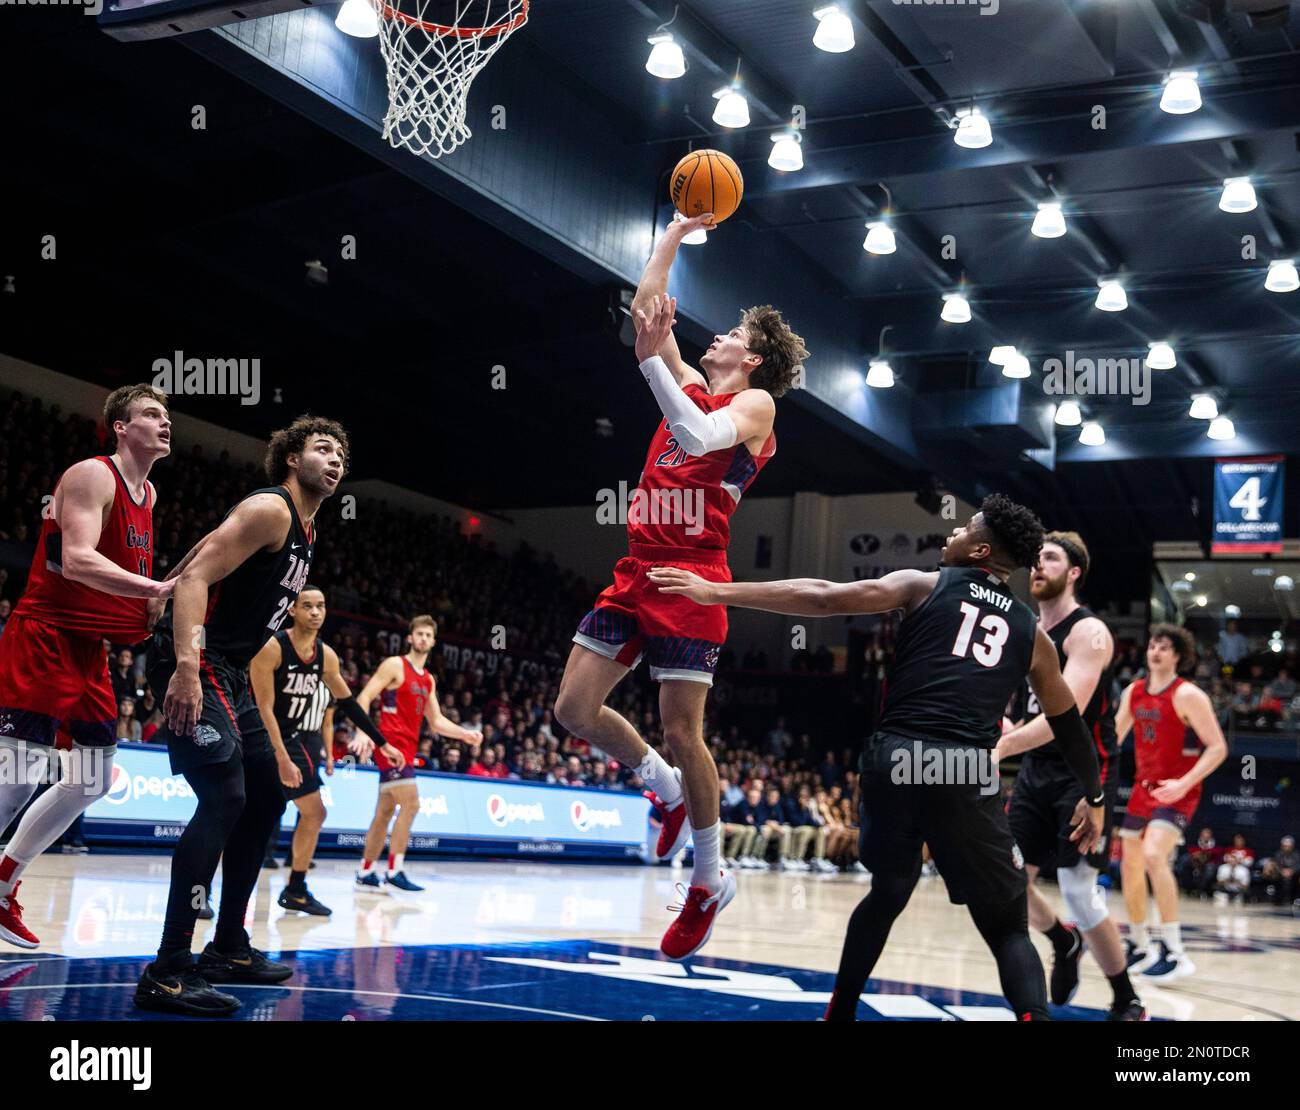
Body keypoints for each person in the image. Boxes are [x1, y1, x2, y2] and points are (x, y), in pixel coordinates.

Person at [652, 495, 1106, 1021]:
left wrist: (716, 592)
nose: (954, 530)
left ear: (981, 550)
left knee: (888, 891)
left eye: (966, 528)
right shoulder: (1032, 634)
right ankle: (1033, 1016)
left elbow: (822, 597)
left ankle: (839, 1011)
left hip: (896, 761)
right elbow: (1069, 726)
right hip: (965, 770)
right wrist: (1094, 796)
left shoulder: (923, 584)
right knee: (1006, 926)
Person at [553, 218, 809, 960]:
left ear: (751, 356)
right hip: (637, 570)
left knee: (681, 726)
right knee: (572, 709)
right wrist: (676, 234)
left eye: (729, 332)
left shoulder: (757, 408)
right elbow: (649, 309)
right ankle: (662, 787)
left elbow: (698, 438)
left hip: (693, 579)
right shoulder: (691, 385)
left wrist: (648, 364)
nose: (714, 336)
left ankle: (707, 879)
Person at [133, 416, 350, 1016]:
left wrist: (167, 585)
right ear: (290, 457)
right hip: (196, 660)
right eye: (323, 449)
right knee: (225, 796)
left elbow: (199, 556)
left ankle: (228, 944)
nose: (335, 461)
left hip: (226, 668)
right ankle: (169, 969)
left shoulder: (304, 529)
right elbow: (199, 576)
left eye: (341, 456)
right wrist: (183, 662)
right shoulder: (272, 509)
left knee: (266, 796)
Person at [0, 385, 173, 950]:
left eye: (167, 415)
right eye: (151, 414)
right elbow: (76, 560)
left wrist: (151, 609)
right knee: (19, 774)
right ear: (120, 427)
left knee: (91, 778)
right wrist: (156, 587)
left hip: (87, 647)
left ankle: (3, 883)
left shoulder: (148, 495)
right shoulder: (93, 475)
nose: (164, 422)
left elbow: (117, 586)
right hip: (44, 634)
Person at [994, 532, 1143, 1020]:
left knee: (1079, 890)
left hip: (1086, 771)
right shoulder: (1026, 627)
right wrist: (1006, 726)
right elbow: (1027, 708)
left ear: (1074, 572)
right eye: (1035, 560)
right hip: (1038, 768)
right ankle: (1063, 939)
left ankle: (1126, 998)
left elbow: (1068, 712)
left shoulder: (1089, 631)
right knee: (1006, 882)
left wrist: (1004, 745)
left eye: (1051, 559)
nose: (1038, 566)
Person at [248, 584, 402, 917]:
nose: (316, 612)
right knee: (250, 816)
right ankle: (288, 889)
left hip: (301, 739)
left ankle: (295, 889)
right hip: (263, 736)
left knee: (303, 814)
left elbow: (347, 703)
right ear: (292, 610)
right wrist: (281, 756)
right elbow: (263, 709)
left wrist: (382, 742)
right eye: (308, 606)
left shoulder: (326, 655)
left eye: (321, 606)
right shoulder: (273, 649)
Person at [1114, 624, 1228, 983]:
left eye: (1164, 647)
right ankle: (1139, 943)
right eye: (1152, 645)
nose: (1155, 652)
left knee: (1152, 855)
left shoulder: (1188, 695)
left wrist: (1183, 783)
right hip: (1142, 789)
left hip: (1178, 791)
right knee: (1129, 864)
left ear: (1178, 655)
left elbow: (1218, 747)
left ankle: (1175, 952)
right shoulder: (1133, 691)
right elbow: (1113, 738)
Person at [353, 616, 481, 894]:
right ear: (410, 638)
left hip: (407, 750)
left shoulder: (428, 679)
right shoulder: (394, 665)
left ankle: (364, 872)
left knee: (384, 813)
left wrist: (465, 734)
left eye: (428, 635)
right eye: (419, 634)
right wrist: (363, 733)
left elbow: (436, 722)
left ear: (433, 642)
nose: (423, 638)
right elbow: (363, 697)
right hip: (389, 747)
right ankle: (394, 869)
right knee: (411, 804)